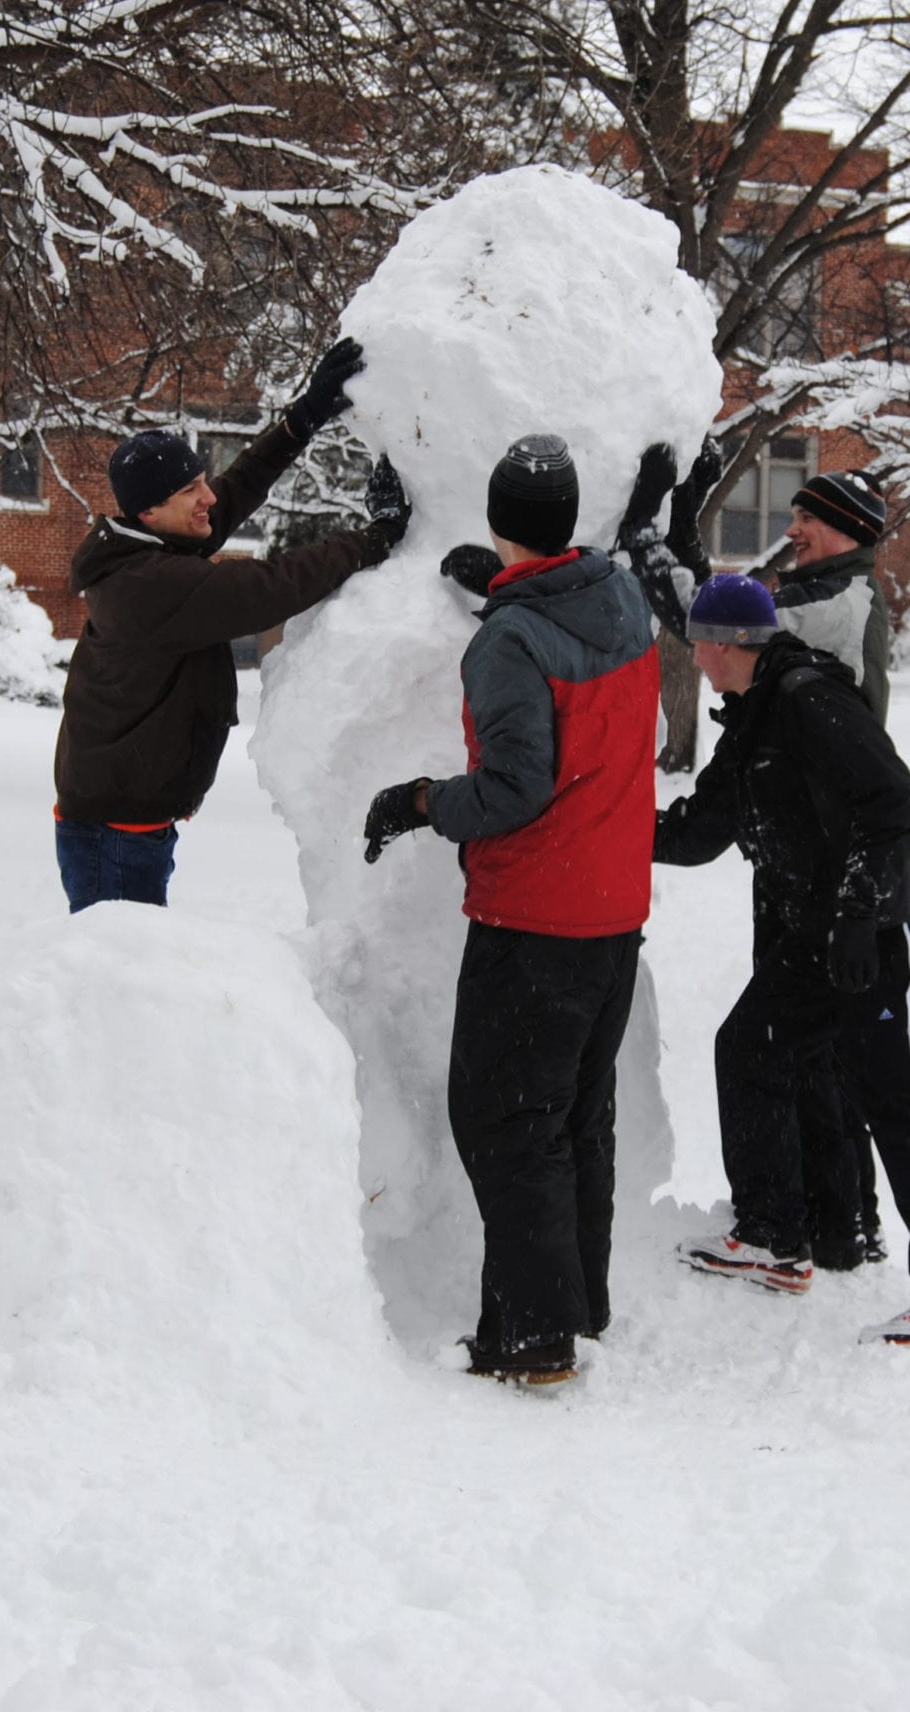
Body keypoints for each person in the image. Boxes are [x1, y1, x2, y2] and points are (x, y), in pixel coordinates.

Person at [360, 434, 663, 1387]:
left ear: (497, 517)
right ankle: (580, 1302)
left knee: (505, 1123)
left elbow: (514, 788)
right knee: (576, 1119)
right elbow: (567, 647)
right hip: (613, 913)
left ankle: (532, 1337)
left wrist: (416, 803)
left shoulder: (507, 644)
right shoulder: (621, 600)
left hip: (536, 918)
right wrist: (503, 584)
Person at [652, 572, 910, 1343]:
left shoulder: (809, 700)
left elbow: (894, 802)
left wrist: (857, 913)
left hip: (891, 924)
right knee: (751, 1046)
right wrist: (602, 835)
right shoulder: (751, 720)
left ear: (730, 644)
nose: (696, 658)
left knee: (907, 1101)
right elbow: (700, 833)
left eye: (701, 643)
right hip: (824, 935)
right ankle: (772, 1234)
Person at [53, 338, 407, 910]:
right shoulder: (146, 586)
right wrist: (376, 538)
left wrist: (303, 419)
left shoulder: (150, 546)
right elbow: (264, 590)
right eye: (189, 490)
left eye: (201, 481)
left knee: (121, 973)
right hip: (112, 833)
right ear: (149, 511)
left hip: (125, 822)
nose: (207, 498)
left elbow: (235, 490)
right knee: (116, 984)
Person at [765, 470, 893, 722]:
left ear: (845, 527)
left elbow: (719, 622)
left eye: (807, 518)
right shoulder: (842, 590)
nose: (791, 531)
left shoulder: (839, 602)